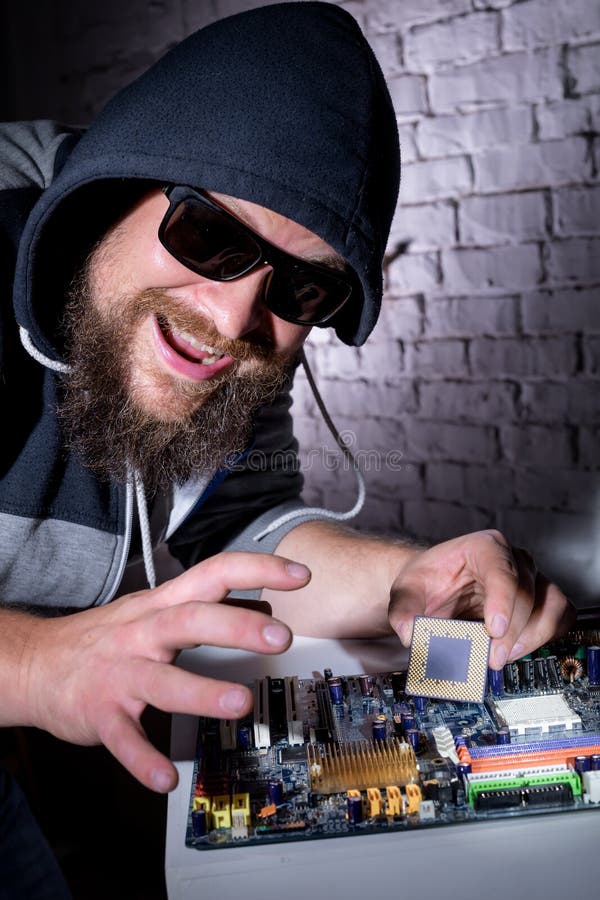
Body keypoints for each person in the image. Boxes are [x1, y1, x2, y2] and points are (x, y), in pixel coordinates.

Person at [0, 2, 574, 892]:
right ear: (116, 181)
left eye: (302, 285)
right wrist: (34, 664)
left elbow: (240, 528)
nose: (231, 321)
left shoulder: (235, 345)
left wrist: (402, 581)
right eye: (209, 236)